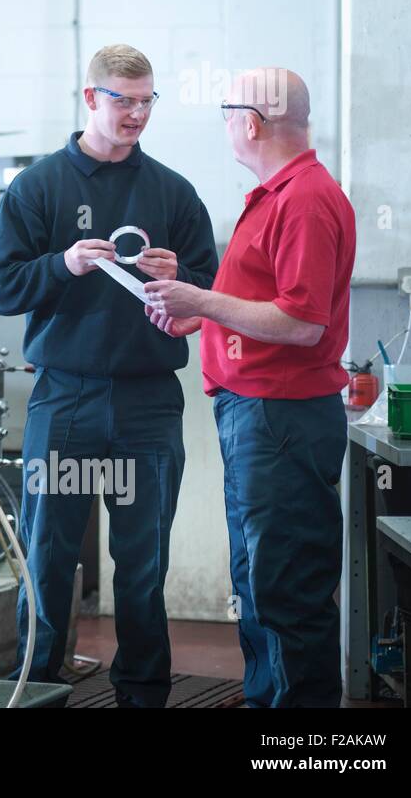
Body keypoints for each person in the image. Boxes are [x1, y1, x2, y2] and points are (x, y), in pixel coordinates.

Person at [0, 44, 218, 707]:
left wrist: (181, 279)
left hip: (147, 403)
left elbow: (210, 284)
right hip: (66, 399)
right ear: (91, 99)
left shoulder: (172, 191)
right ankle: (40, 685)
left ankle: (142, 693)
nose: (136, 113)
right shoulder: (38, 187)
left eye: (146, 101)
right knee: (48, 553)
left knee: (142, 565)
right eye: (123, 99)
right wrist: (62, 264)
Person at [143, 67, 355, 708]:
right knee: (260, 582)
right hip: (259, 416)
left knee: (285, 588)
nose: (228, 125)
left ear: (251, 122)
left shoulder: (304, 200)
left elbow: (298, 322)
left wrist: (203, 298)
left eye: (228, 112)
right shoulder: (275, 195)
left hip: (281, 420)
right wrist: (202, 314)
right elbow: (265, 305)